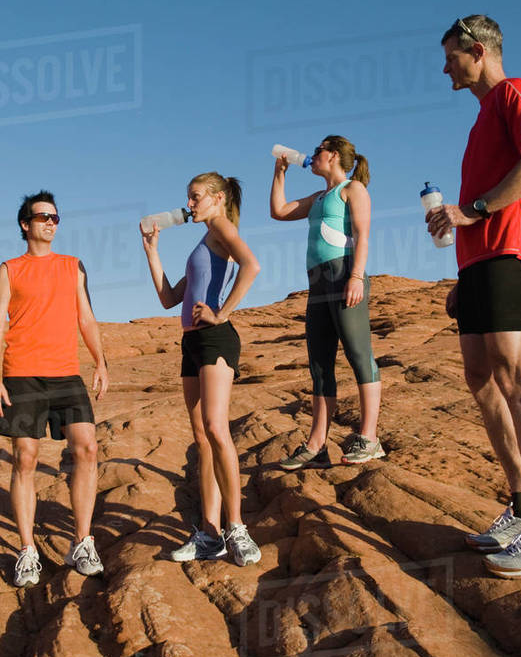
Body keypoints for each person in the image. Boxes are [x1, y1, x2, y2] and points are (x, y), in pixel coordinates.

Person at [427, 15, 521, 578]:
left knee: (520, 380)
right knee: (481, 379)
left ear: (477, 50)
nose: (445, 67)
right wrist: (464, 271)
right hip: (478, 264)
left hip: (508, 254)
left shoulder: (515, 93)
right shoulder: (479, 121)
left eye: (450, 57)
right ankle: (520, 507)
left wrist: (474, 211)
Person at [0, 192, 109, 587]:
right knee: (25, 456)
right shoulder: (9, 269)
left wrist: (100, 361)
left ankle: (82, 542)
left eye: (55, 217)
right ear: (25, 224)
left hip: (65, 373)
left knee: (87, 447)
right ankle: (27, 550)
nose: (51, 223)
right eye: (43, 217)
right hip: (21, 374)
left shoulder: (72, 267)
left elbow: (86, 318)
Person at [141, 173, 262, 566]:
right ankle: (209, 533)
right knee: (202, 436)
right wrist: (152, 250)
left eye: (195, 197)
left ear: (217, 198)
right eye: (188, 198)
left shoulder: (221, 226)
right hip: (191, 342)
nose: (189, 204)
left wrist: (222, 312)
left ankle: (236, 527)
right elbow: (168, 298)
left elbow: (252, 266)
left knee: (215, 427)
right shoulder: (202, 239)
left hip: (216, 339)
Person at [270, 136, 384, 469]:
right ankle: (317, 445)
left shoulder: (353, 189)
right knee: (320, 364)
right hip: (318, 283)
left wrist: (356, 276)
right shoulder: (319, 197)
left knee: (358, 353)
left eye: (318, 150)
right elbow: (278, 211)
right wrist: (280, 173)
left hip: (345, 274)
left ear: (332, 155)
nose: (313, 155)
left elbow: (363, 234)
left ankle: (369, 438)